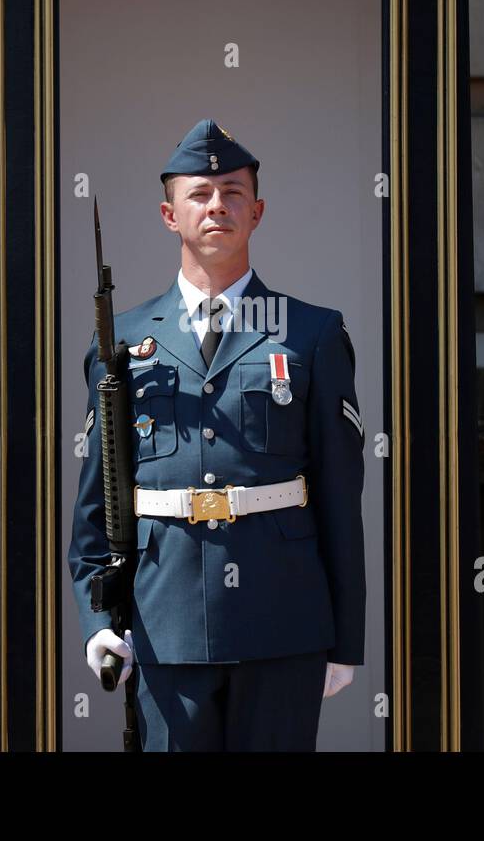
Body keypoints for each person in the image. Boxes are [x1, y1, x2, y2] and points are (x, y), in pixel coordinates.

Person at [68, 118, 366, 751]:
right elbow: (98, 493)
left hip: (281, 620)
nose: (216, 207)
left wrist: (346, 639)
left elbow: (340, 496)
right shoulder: (121, 340)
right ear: (168, 215)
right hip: (162, 618)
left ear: (257, 212)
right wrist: (96, 619)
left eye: (232, 193)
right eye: (198, 194)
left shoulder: (312, 333)